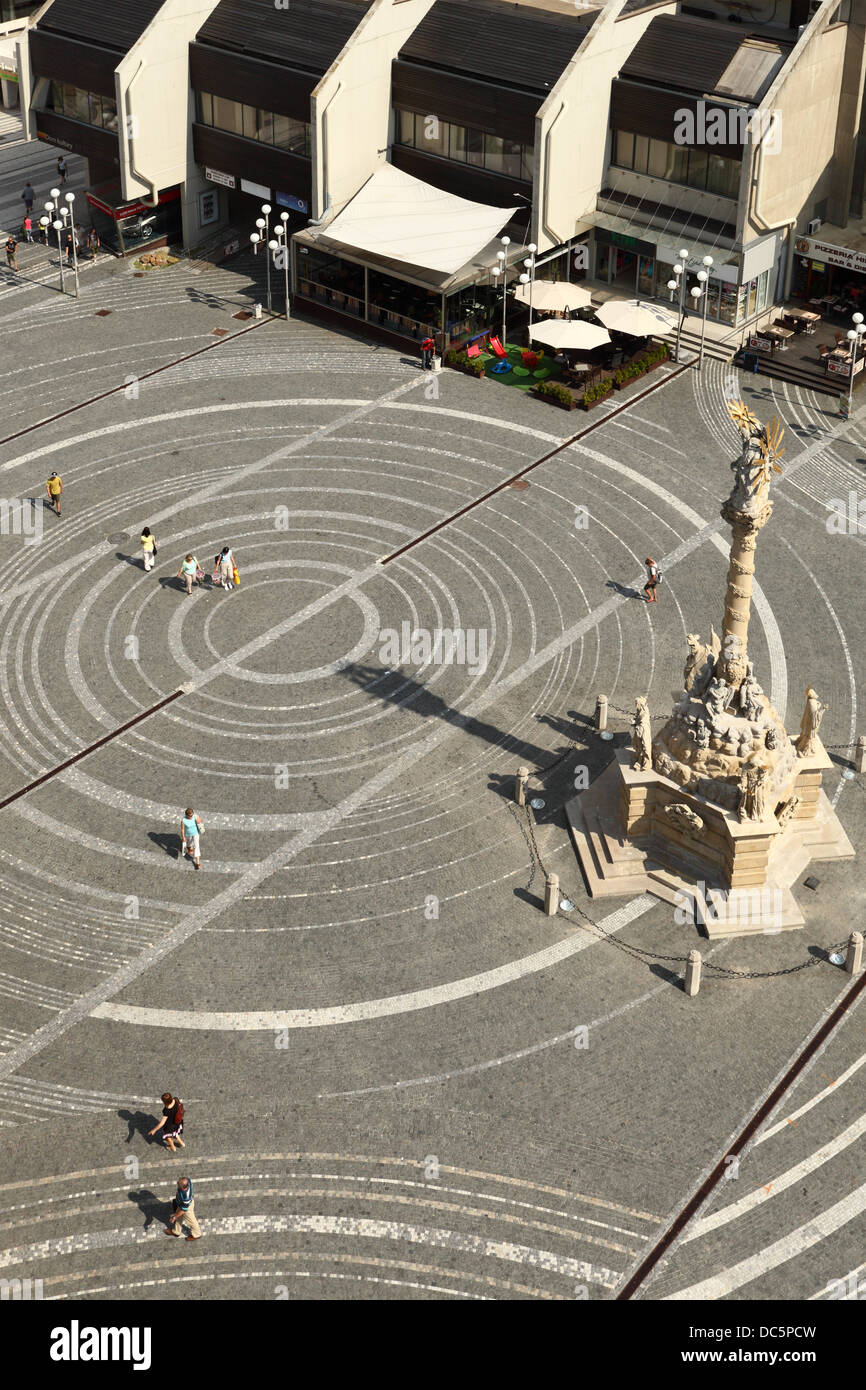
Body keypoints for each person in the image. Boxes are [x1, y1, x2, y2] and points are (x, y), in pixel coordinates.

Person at [164, 1176, 202, 1241]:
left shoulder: (186, 1196)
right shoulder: (187, 1181)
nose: (177, 1182)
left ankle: (197, 1234)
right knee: (179, 1216)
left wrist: (174, 1217)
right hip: (181, 1204)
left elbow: (183, 1210)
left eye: (178, 1183)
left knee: (191, 1221)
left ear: (182, 1188)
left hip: (186, 1208)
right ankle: (176, 1232)